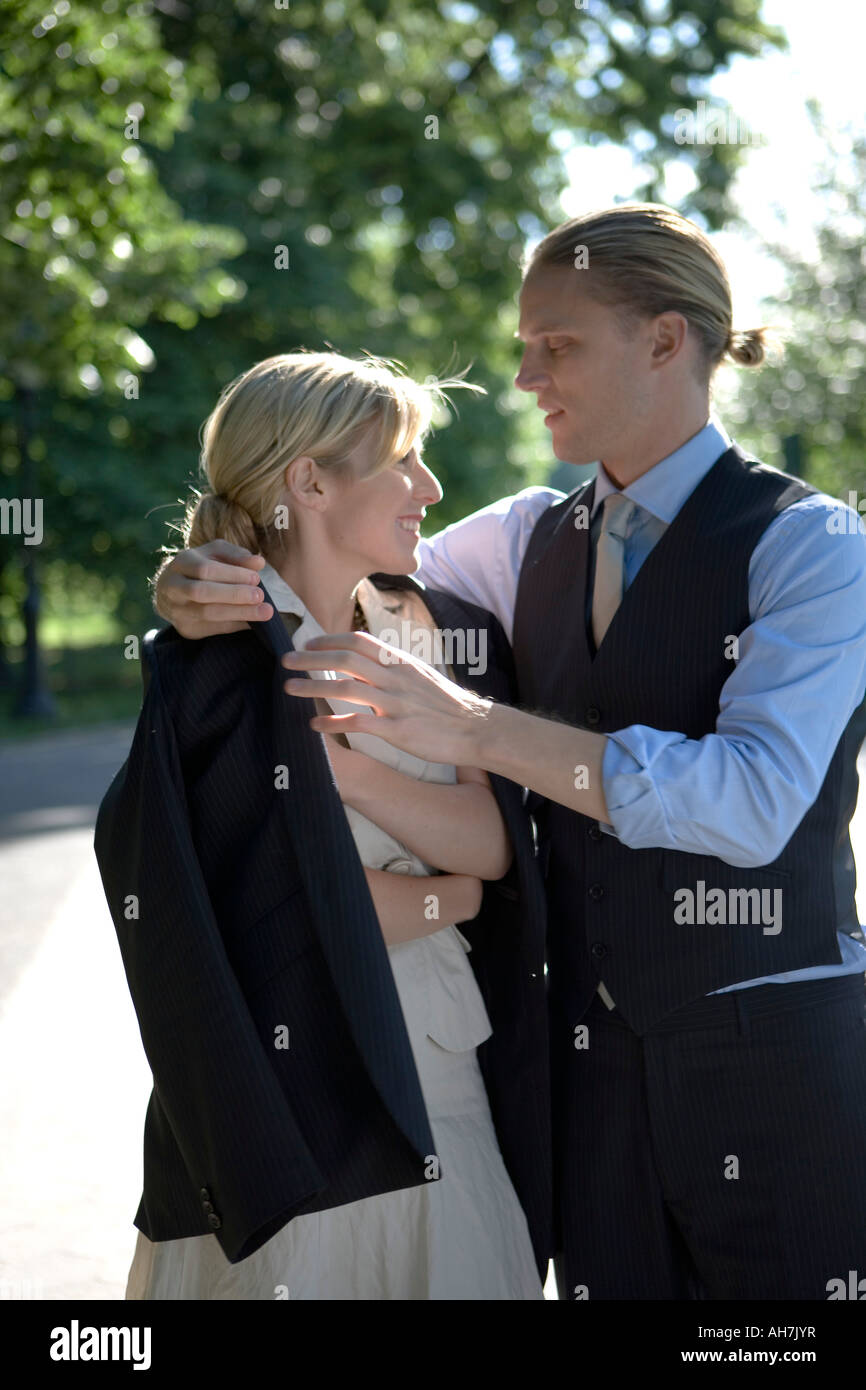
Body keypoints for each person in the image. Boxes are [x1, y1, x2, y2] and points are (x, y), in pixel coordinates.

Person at [154, 203, 866, 1301]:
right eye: (525, 343)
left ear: (665, 341)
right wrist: (192, 581)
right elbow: (337, 549)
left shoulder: (813, 547)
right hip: (579, 1080)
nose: (524, 372)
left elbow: (751, 799)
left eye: (556, 344)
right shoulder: (525, 534)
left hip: (772, 1071)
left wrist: (475, 728)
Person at [95, 351, 549, 1300]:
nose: (429, 486)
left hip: (444, 1077)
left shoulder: (438, 629)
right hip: (285, 1093)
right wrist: (447, 893)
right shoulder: (207, 665)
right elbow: (265, 910)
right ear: (308, 480)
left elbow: (497, 848)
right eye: (404, 459)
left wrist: (344, 775)